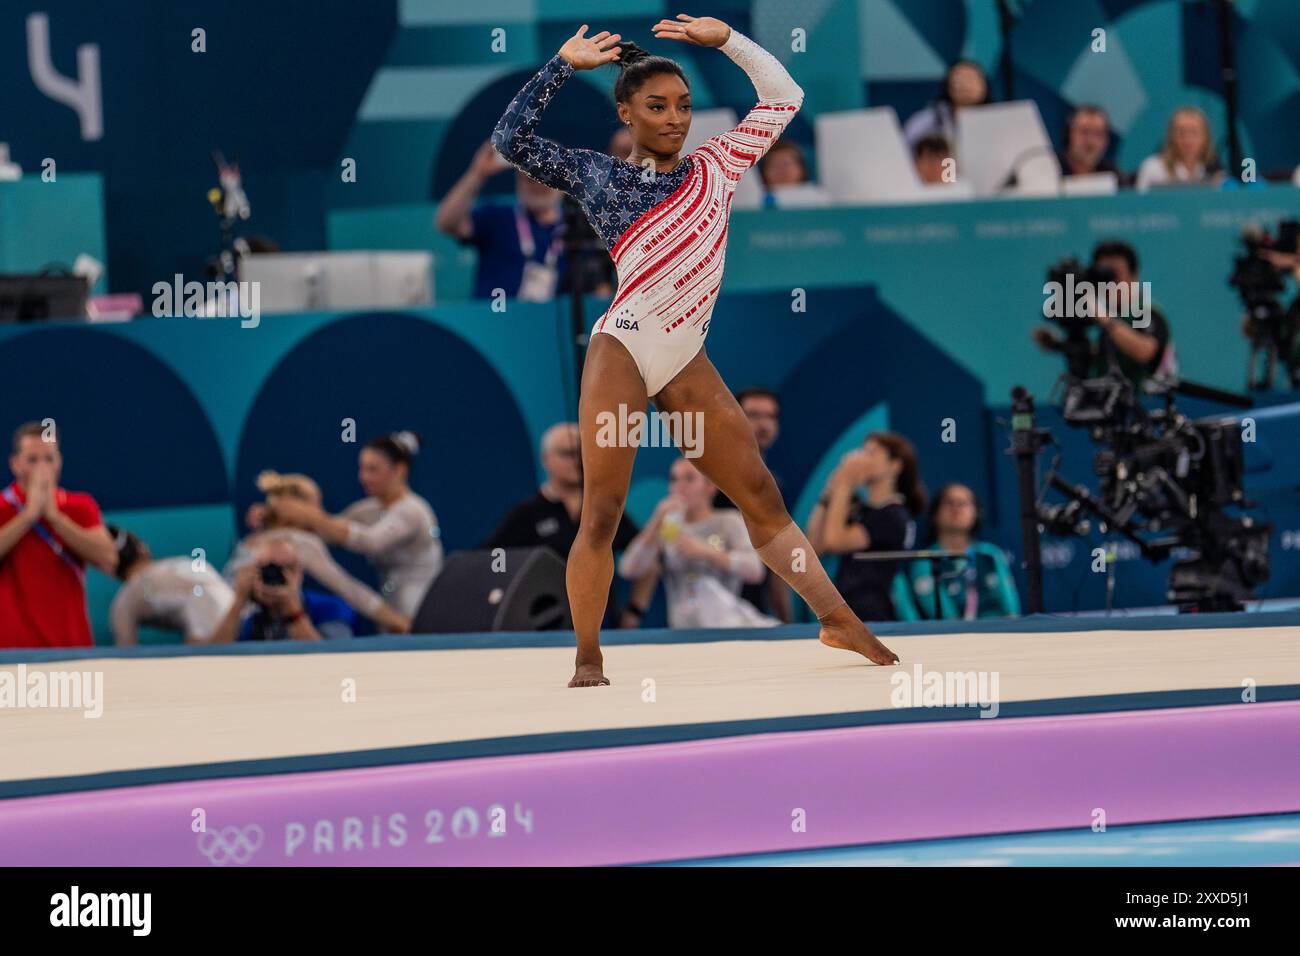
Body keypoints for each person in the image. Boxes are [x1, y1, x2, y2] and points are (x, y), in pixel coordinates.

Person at [492, 15, 899, 686]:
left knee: (761, 493)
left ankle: (837, 619)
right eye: (657, 107)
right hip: (623, 346)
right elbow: (510, 139)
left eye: (683, 105)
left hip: (685, 357)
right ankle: (588, 655)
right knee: (601, 511)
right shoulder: (599, 177)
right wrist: (561, 66)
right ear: (625, 112)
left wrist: (729, 43)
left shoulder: (719, 164)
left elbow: (784, 97)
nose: (676, 118)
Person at [482, 421, 653, 627]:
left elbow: (647, 557)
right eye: (567, 454)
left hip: (602, 626)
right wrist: (502, 593)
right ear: (546, 459)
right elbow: (492, 556)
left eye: (582, 452)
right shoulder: (527, 513)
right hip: (545, 625)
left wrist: (634, 610)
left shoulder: (602, 509)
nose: (577, 460)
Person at [265, 432, 443, 619]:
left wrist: (310, 515)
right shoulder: (368, 509)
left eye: (373, 470)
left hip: (422, 611)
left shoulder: (412, 511)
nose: (363, 477)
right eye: (362, 469)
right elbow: (328, 532)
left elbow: (370, 541)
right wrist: (271, 516)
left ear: (400, 470)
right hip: (394, 612)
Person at [230, 470, 410, 633]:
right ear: (294, 509)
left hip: (227, 624)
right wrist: (399, 622)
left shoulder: (255, 538)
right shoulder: (300, 542)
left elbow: (333, 527)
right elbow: (349, 588)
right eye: (315, 507)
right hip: (239, 627)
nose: (320, 514)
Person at [0, 422, 116, 648]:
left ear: (59, 462)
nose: (41, 468)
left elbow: (108, 558)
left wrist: (54, 517)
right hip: (10, 652)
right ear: (15, 464)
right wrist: (28, 516)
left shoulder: (80, 506)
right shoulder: (3, 506)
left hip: (71, 648)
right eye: (32, 460)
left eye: (49, 459)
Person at [618, 458, 771, 628]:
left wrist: (707, 552)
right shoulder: (669, 527)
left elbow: (756, 570)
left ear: (710, 486)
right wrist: (655, 522)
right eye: (674, 479)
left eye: (689, 479)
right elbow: (628, 569)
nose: (679, 487)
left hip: (726, 625)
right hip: (682, 629)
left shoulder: (729, 521)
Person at [808, 432, 925, 623]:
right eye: (864, 451)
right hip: (846, 609)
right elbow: (816, 546)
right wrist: (829, 493)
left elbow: (835, 541)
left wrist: (845, 485)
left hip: (871, 615)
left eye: (872, 453)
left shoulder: (893, 516)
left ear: (895, 465)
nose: (861, 459)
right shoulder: (862, 509)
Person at [435, 140, 570, 301]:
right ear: (518, 180)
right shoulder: (498, 217)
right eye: (530, 178)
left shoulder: (578, 230)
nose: (538, 186)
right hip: (494, 319)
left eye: (547, 179)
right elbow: (447, 222)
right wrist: (478, 173)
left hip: (550, 322)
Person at [1032, 240, 1174, 385]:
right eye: (1103, 277)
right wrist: (1057, 344)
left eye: (1114, 276)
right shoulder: (1107, 315)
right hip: (1103, 400)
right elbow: (1104, 358)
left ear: (1134, 276)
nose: (1108, 284)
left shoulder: (1147, 312)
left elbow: (1145, 352)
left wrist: (1103, 317)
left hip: (1142, 402)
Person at [712, 387, 792, 622]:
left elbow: (780, 557)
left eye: (770, 416)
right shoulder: (709, 478)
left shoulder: (775, 484)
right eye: (754, 415)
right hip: (712, 618)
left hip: (756, 616)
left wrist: (786, 623)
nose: (763, 424)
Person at [892, 483, 1020, 621]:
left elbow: (1011, 609)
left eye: (963, 503)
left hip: (999, 634)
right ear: (935, 514)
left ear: (976, 513)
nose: (956, 509)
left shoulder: (990, 555)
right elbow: (945, 617)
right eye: (949, 503)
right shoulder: (926, 560)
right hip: (951, 638)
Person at [107, 526, 236, 644]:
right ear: (143, 550)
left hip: (215, 620)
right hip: (235, 606)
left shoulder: (124, 599)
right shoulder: (179, 563)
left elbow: (126, 654)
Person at [211, 539, 358, 642]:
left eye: (285, 568)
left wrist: (293, 609)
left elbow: (333, 659)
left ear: (299, 574)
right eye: (267, 569)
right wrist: (238, 601)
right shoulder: (252, 621)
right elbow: (216, 658)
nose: (275, 576)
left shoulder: (331, 608)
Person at [903, 60, 991, 152]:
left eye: (971, 78)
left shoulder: (997, 121)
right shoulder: (925, 120)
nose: (965, 85)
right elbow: (906, 152)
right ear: (948, 85)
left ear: (984, 85)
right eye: (959, 79)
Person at [1134, 107, 1222, 191]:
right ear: (1171, 137)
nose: (1188, 141)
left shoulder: (1215, 171)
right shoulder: (1153, 168)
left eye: (1194, 133)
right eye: (1181, 133)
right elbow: (1139, 204)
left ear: (1205, 138)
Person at [1058, 105, 1124, 181]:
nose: (1090, 141)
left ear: (1106, 141)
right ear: (1069, 134)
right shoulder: (1051, 167)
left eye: (1098, 134)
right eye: (1084, 132)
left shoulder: (1113, 175)